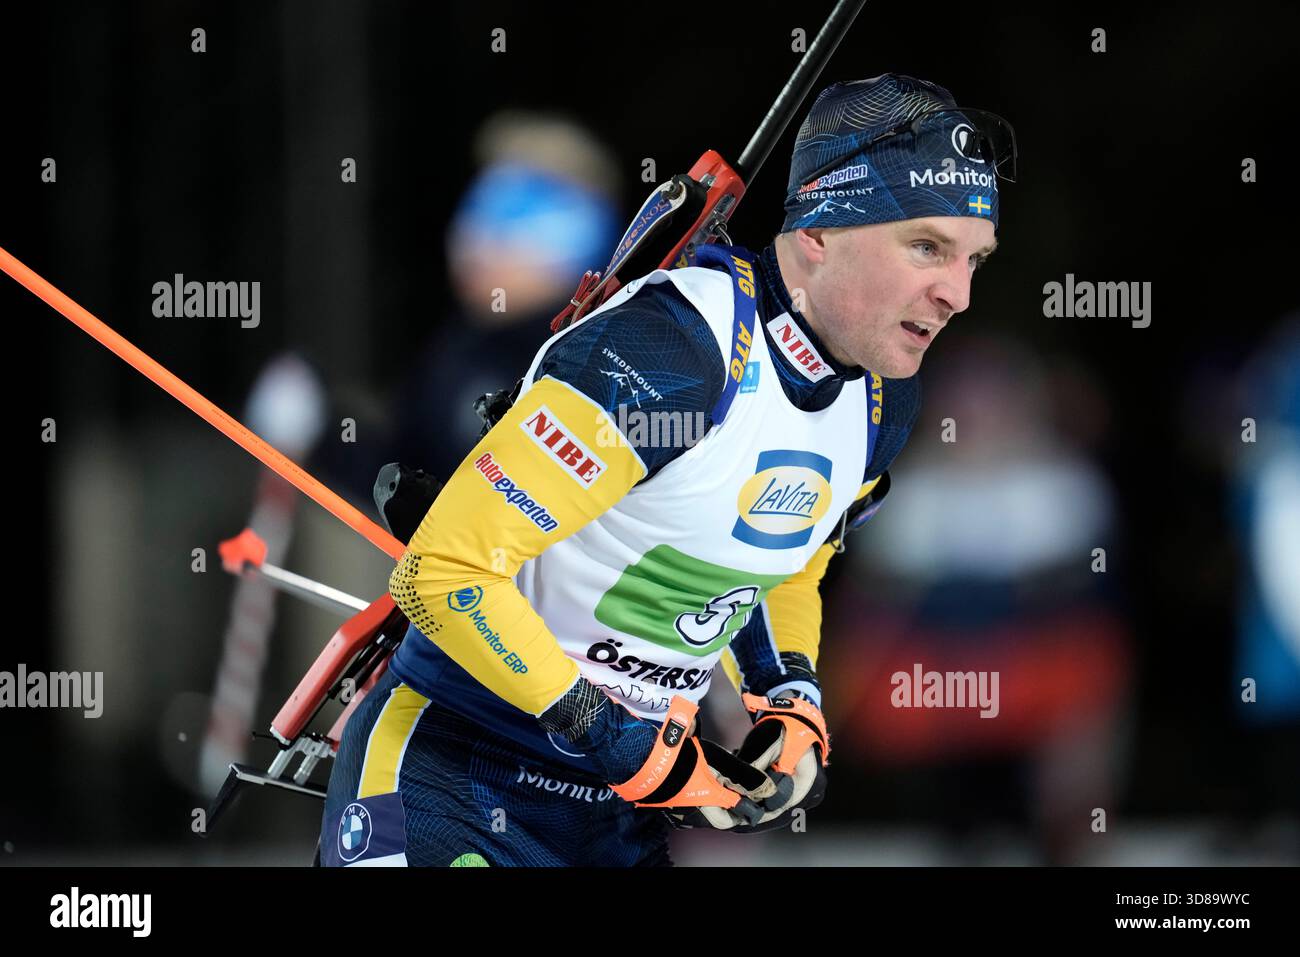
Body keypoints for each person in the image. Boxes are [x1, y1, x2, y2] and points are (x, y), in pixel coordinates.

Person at [319, 73, 1015, 866]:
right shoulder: (671, 351)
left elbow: (786, 553)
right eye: (926, 246)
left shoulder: (881, 398)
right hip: (457, 776)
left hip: (610, 820)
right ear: (821, 231)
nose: (956, 293)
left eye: (974, 260)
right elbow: (442, 574)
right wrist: (617, 738)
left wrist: (788, 700)